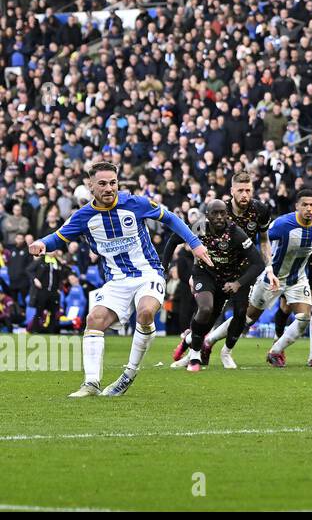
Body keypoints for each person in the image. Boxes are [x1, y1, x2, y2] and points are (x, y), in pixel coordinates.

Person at [29, 161, 212, 397]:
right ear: (91, 186)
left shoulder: (135, 203)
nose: (108, 188)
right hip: (116, 280)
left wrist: (195, 244)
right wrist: (42, 243)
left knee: (145, 312)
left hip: (148, 273)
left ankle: (129, 374)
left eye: (113, 183)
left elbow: (170, 218)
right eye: (102, 183)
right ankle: (91, 384)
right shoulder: (84, 216)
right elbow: (58, 238)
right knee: (94, 319)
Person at [219, 188, 312, 367]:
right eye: (305, 205)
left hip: (297, 278)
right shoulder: (282, 224)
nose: (309, 209)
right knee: (247, 318)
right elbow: (262, 240)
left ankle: (275, 351)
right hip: (273, 278)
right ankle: (210, 341)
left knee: (304, 318)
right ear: (296, 207)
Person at [165, 200, 264, 372]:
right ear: (207, 215)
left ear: (227, 214)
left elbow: (258, 263)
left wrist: (237, 283)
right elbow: (173, 239)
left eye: (222, 213)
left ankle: (211, 348)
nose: (219, 217)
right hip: (205, 274)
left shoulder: (236, 233)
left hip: (231, 278)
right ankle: (195, 356)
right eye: (214, 213)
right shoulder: (198, 227)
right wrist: (163, 266)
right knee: (205, 309)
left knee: (235, 314)